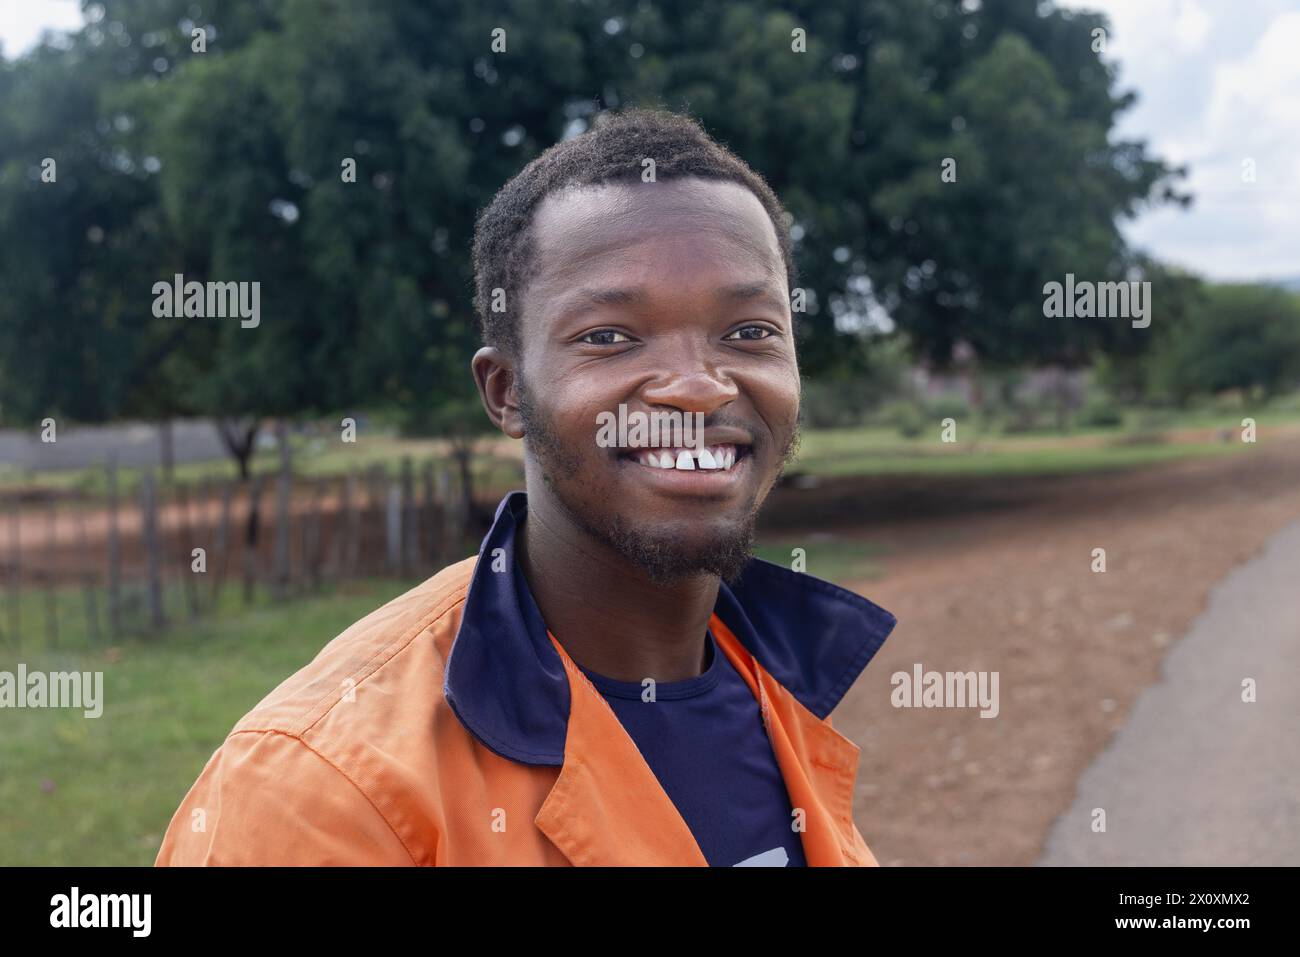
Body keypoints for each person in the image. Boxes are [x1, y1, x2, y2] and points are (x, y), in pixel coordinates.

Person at [155, 107, 896, 867]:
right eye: (609, 336)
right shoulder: (321, 787)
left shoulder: (772, 681)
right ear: (506, 391)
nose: (697, 388)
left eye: (749, 331)